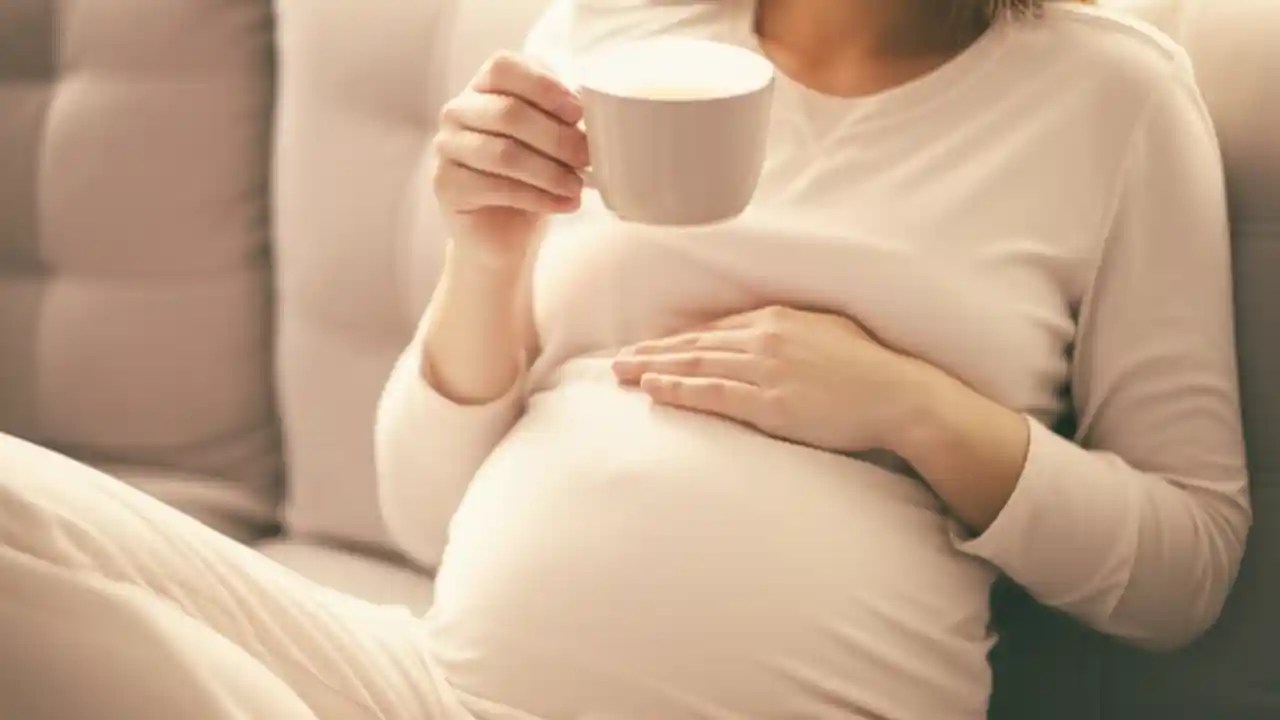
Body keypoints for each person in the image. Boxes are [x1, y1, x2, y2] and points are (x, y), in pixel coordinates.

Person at [0, 0, 1250, 718]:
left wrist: (910, 408)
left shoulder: (1113, 97)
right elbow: (428, 515)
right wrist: (484, 255)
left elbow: (1184, 568)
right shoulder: (612, 29)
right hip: (430, 691)